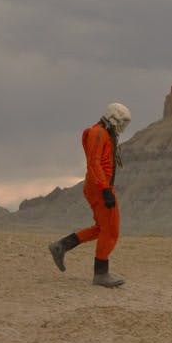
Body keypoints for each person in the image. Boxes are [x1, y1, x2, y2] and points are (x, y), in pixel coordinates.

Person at [48, 103, 131, 287]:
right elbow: (94, 164)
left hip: (101, 186)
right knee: (111, 230)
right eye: (122, 122)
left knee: (102, 228)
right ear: (113, 118)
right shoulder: (98, 133)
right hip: (99, 187)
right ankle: (101, 274)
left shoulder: (106, 134)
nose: (123, 127)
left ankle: (61, 246)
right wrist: (105, 189)